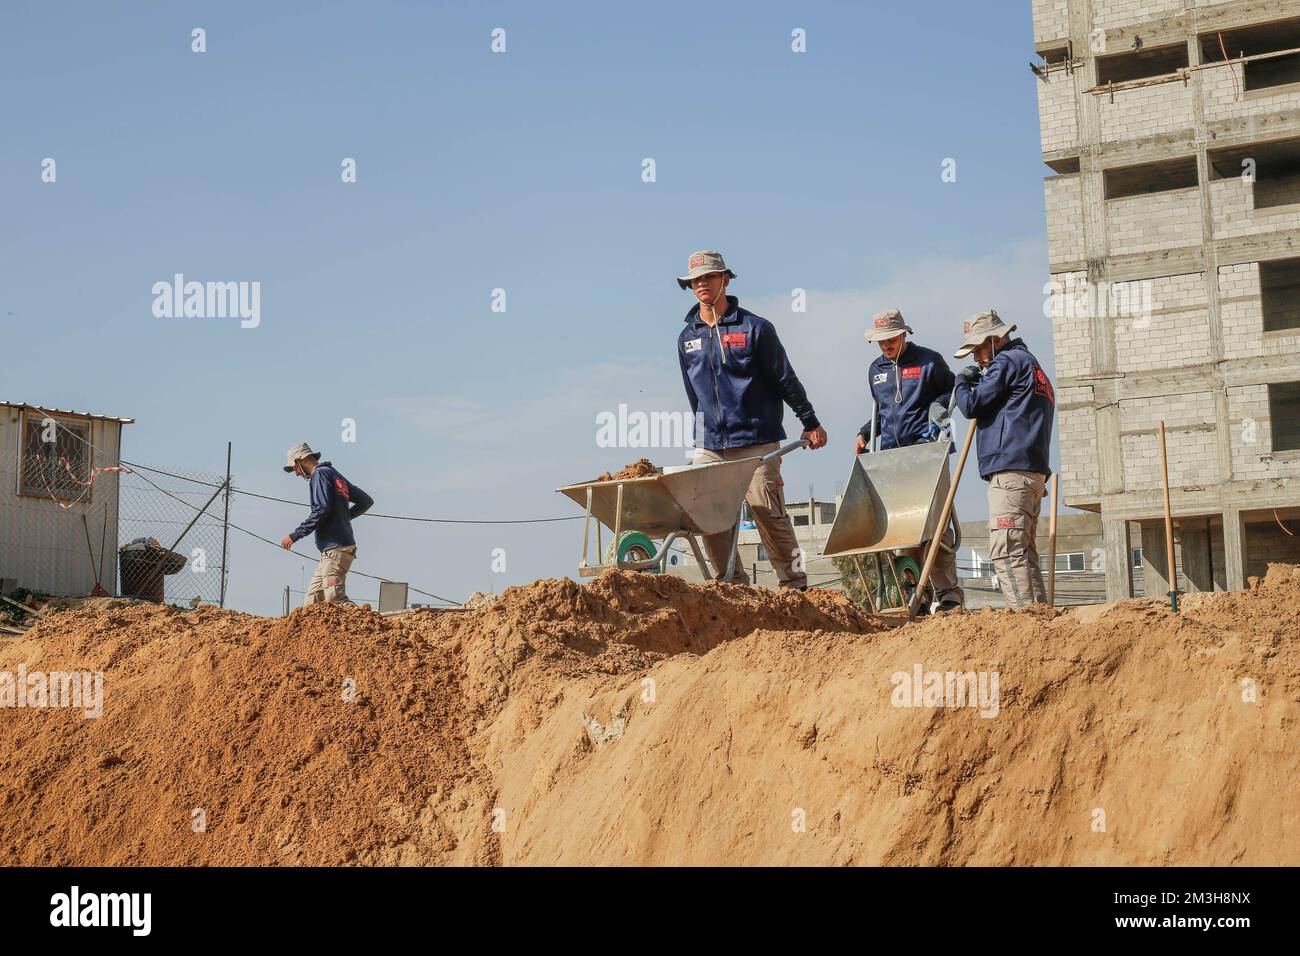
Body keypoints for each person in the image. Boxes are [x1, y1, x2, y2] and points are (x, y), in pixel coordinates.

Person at [676, 250, 827, 588]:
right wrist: (702, 435)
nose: (702, 284)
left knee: (767, 512)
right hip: (710, 445)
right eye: (696, 280)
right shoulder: (687, 339)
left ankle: (795, 584)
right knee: (709, 517)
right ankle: (733, 587)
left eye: (709, 277)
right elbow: (693, 396)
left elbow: (785, 378)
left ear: (725, 279)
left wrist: (810, 421)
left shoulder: (755, 328)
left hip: (756, 442)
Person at [856, 308, 963, 612]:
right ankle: (915, 594)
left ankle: (949, 596)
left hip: (927, 452)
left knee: (935, 527)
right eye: (880, 341)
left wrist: (938, 409)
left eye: (890, 339)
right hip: (892, 460)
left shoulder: (930, 361)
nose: (885, 345)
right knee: (901, 530)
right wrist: (865, 433)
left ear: (903, 335)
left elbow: (952, 389)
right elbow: (882, 412)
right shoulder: (876, 369)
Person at [951, 310, 1056, 610]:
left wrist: (961, 382)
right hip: (1031, 473)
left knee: (1006, 551)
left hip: (1011, 473)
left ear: (996, 339)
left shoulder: (1008, 362)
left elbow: (971, 404)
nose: (977, 358)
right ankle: (1040, 617)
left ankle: (1026, 621)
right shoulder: (1031, 364)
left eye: (980, 349)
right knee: (1024, 551)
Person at [280, 442, 374, 605]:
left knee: (335, 598)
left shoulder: (320, 475)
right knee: (311, 604)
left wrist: (296, 534)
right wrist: (343, 517)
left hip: (335, 549)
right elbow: (365, 501)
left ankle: (365, 627)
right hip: (333, 550)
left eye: (294, 467)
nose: (296, 473)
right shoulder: (333, 474)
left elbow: (321, 509)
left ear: (301, 460)